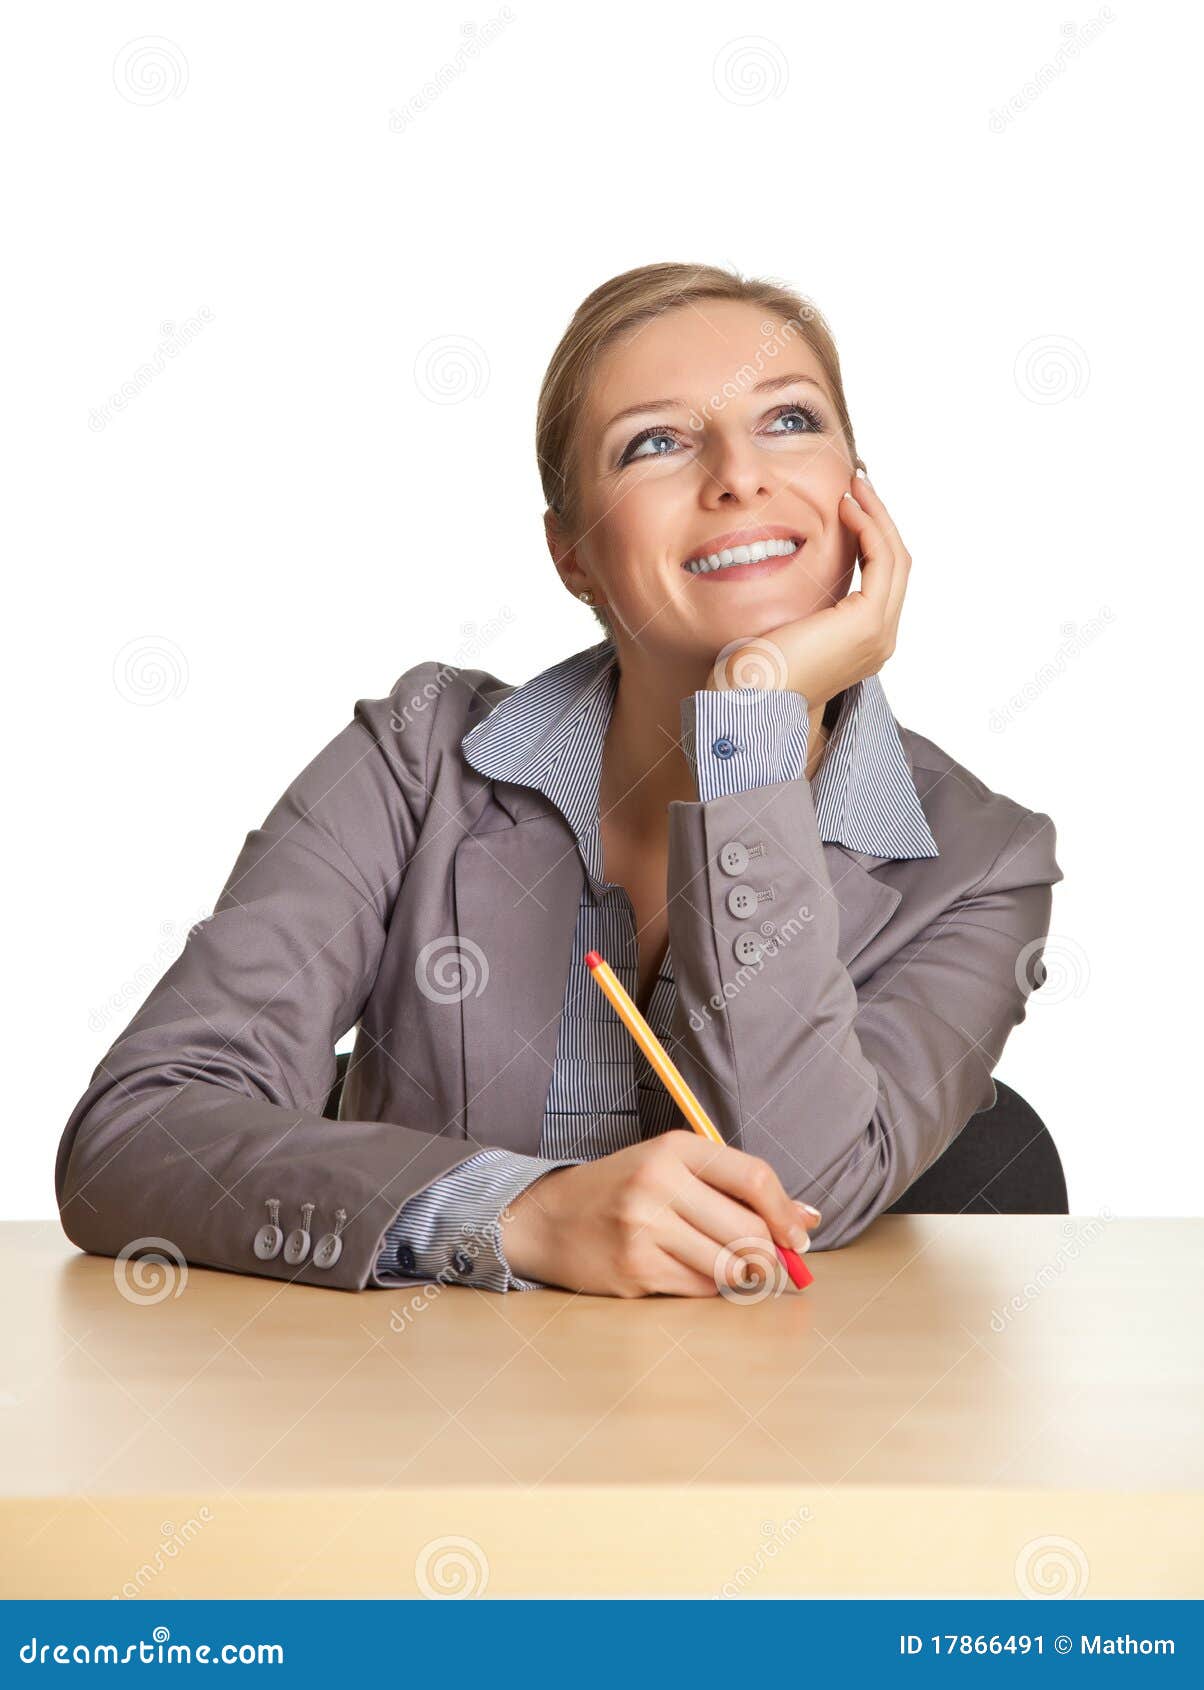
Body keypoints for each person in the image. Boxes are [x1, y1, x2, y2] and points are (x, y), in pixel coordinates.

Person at [55, 262, 1062, 1298]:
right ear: (571, 553)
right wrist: (513, 1211)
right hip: (413, 1435)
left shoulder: (983, 864)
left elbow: (791, 1191)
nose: (737, 476)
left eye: (789, 420)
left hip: (768, 1444)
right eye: (656, 442)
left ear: (859, 496)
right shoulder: (417, 757)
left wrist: (753, 724)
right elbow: (139, 1129)